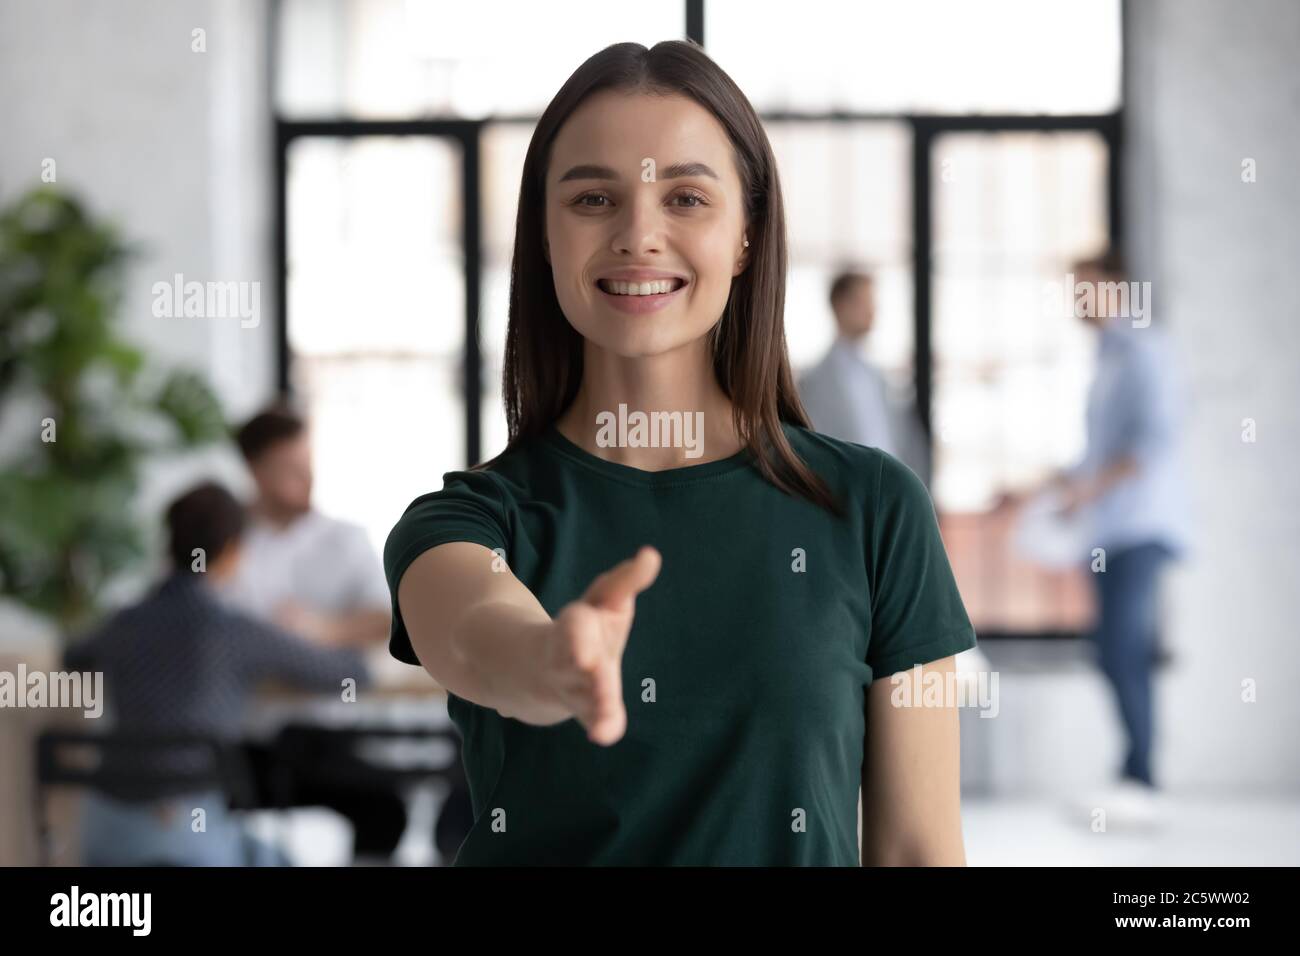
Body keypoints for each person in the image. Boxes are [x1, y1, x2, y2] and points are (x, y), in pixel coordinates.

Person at [384, 40, 977, 866]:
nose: (639, 235)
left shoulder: (874, 509)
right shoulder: (466, 522)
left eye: (687, 198)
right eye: (593, 198)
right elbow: (476, 633)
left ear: (746, 236)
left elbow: (918, 849)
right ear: (545, 235)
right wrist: (550, 662)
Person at [63, 482, 371, 866]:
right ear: (231, 551)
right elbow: (350, 673)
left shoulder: (124, 622)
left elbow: (73, 657)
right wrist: (318, 629)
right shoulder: (235, 631)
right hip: (191, 836)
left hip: (107, 832)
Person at [997, 249, 1191, 822]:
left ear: (1116, 288)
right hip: (1106, 528)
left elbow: (1151, 445)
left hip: (1139, 525)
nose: (1077, 303)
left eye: (1085, 290)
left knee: (1125, 648)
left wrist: (1088, 490)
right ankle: (1134, 772)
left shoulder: (1146, 351)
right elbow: (1094, 457)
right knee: (1110, 650)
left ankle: (1142, 779)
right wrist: (1037, 490)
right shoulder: (1106, 358)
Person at [222, 405, 408, 860]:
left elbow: (385, 617)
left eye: (307, 465)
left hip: (324, 736)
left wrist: (318, 629)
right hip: (243, 739)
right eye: (289, 469)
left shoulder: (344, 539)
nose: (305, 479)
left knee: (386, 810)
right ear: (255, 472)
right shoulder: (224, 542)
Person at [799, 270, 932, 484]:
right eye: (863, 302)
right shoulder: (813, 382)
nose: (872, 311)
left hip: (890, 489)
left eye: (872, 302)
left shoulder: (877, 377)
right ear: (840, 306)